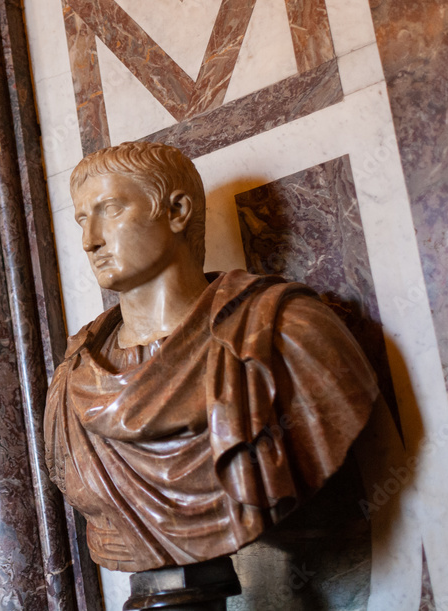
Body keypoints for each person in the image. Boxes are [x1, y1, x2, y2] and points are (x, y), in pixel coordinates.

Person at [45, 142, 379, 572]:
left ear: (177, 211)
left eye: (110, 209)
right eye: (81, 220)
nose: (90, 241)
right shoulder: (73, 380)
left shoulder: (285, 334)